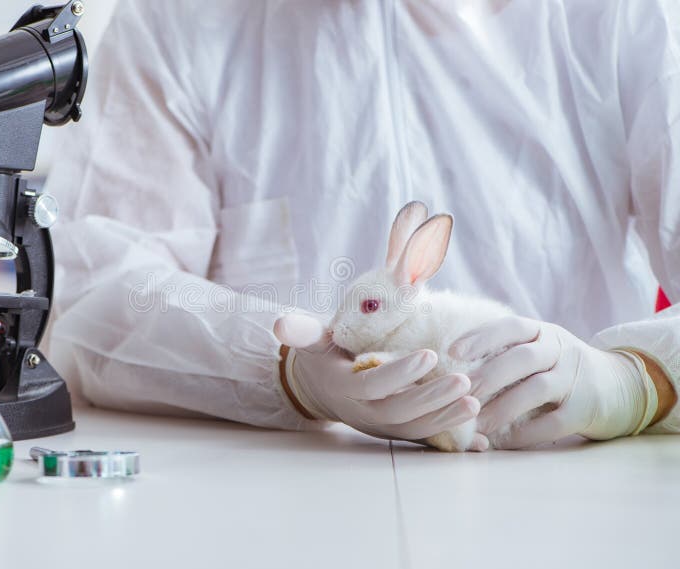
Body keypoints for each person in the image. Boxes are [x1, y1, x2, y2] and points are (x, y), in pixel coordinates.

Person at [44, 0, 679, 450]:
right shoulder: (178, 21)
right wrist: (284, 373)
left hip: (571, 492)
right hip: (271, 498)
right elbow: (94, 296)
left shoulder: (626, 16)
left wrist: (639, 381)